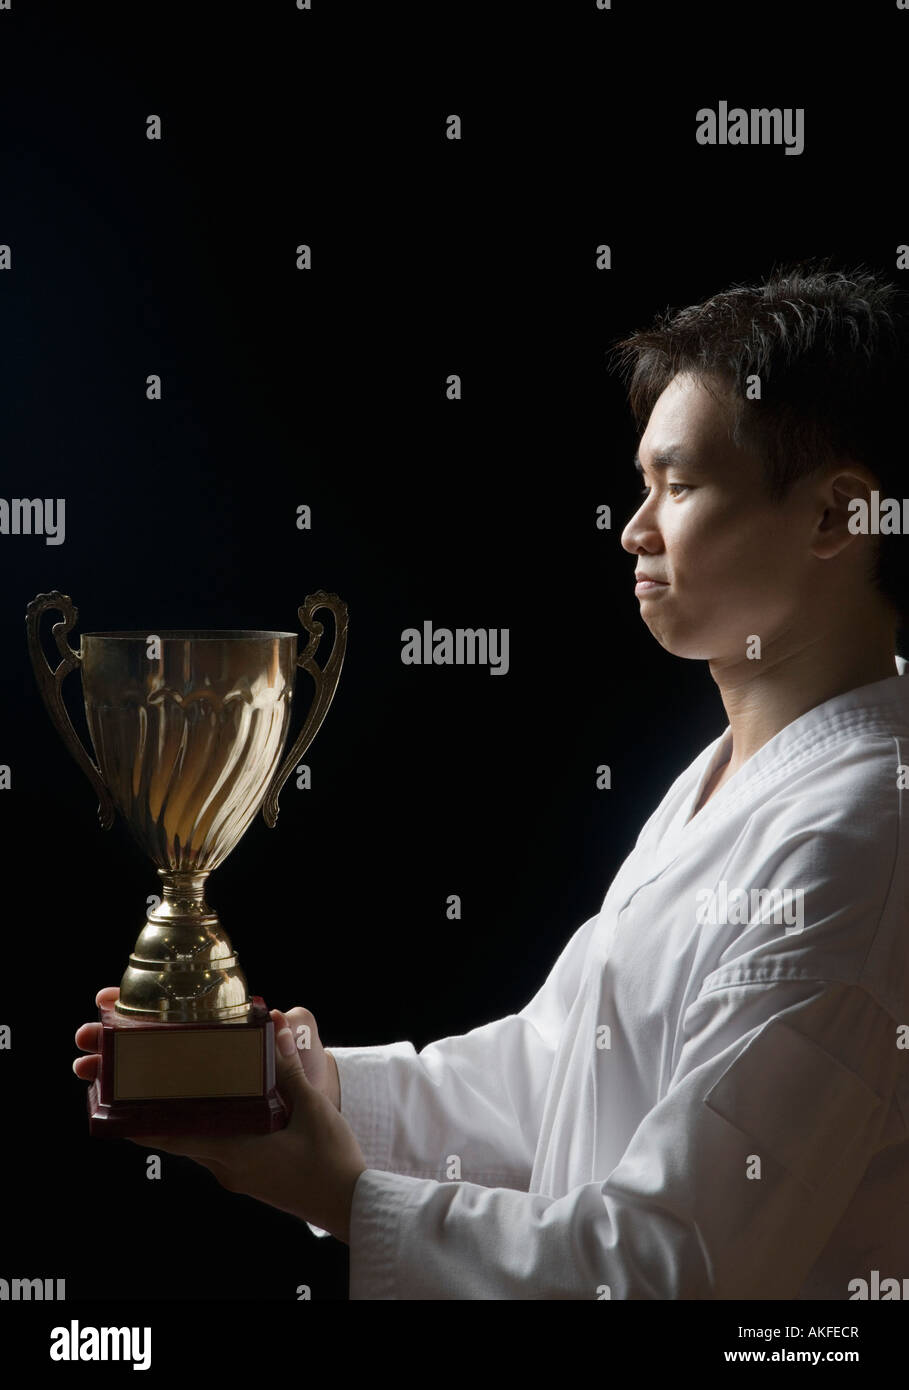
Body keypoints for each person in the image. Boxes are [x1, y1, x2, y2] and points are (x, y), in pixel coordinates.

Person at [74, 259, 909, 1299]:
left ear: (839, 519)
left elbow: (677, 1270)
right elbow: (550, 1081)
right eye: (641, 484)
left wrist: (347, 1195)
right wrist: (300, 1088)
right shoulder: (737, 777)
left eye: (682, 485)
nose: (635, 527)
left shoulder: (859, 834)